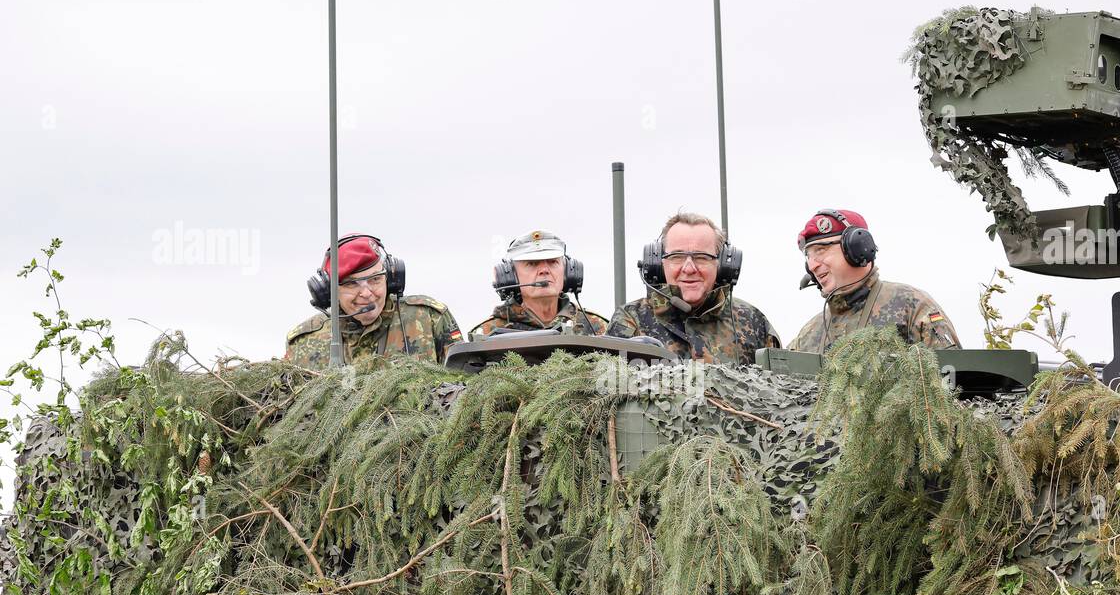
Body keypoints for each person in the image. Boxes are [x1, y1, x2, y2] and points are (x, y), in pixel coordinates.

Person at [606, 211, 779, 364]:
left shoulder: (753, 321)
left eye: (702, 257)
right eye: (677, 256)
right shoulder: (631, 319)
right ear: (659, 263)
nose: (689, 268)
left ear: (722, 265)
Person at [789, 209, 960, 353]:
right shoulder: (808, 334)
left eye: (820, 250)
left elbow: (954, 377)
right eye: (808, 256)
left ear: (856, 246)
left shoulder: (912, 306)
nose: (812, 265)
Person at [284, 233, 462, 369]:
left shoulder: (429, 318)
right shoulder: (303, 341)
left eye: (375, 279)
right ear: (330, 291)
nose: (367, 293)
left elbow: (467, 387)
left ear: (391, 278)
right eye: (352, 284)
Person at [469, 230, 608, 336]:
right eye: (532, 264)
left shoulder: (596, 327)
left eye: (553, 262)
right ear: (511, 275)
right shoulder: (486, 334)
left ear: (568, 271)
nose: (544, 270)